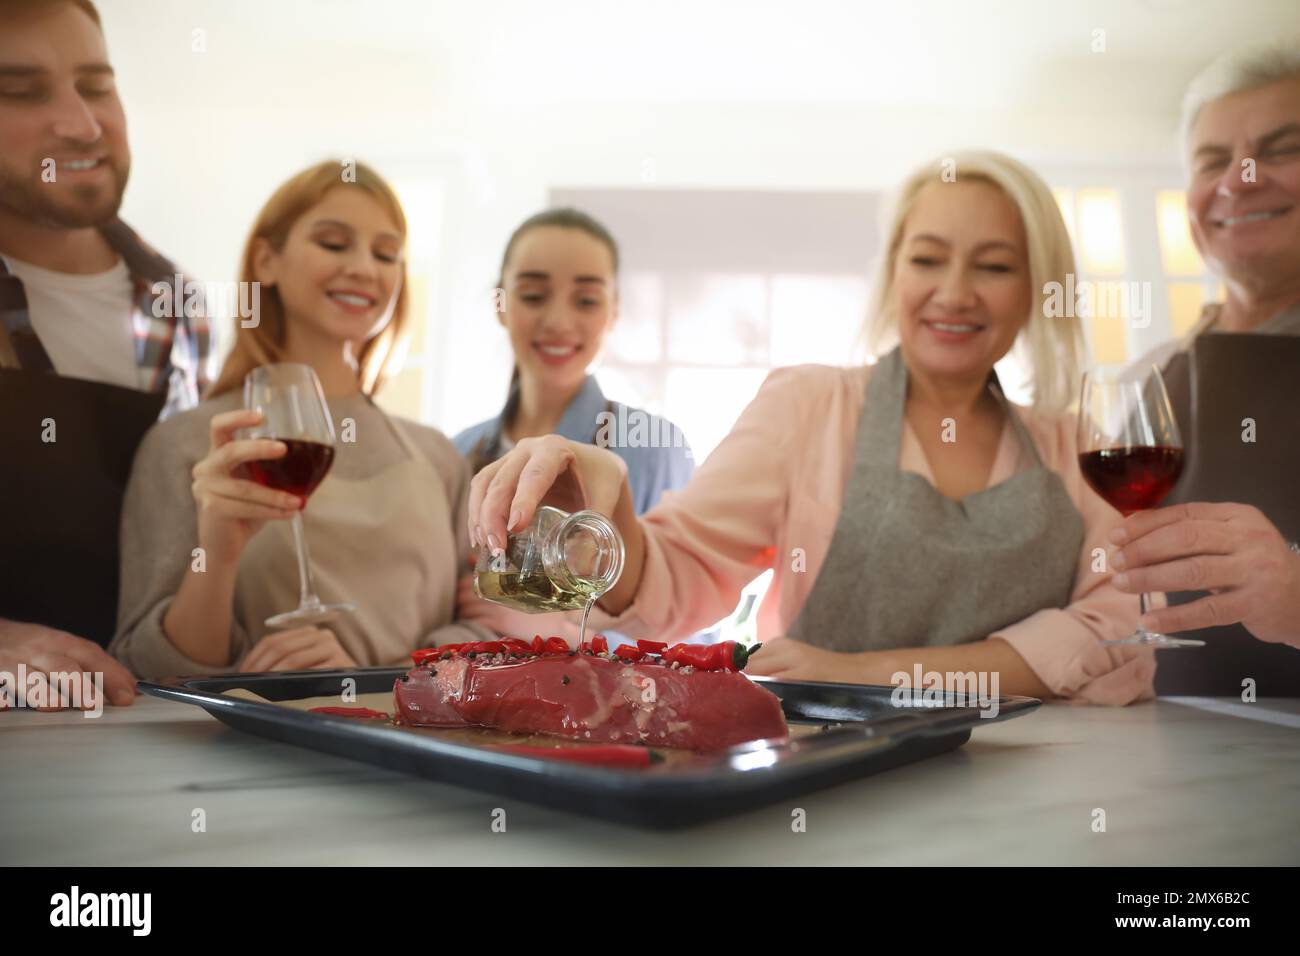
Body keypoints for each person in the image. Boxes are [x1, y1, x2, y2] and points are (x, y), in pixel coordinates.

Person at [466, 151, 1152, 705]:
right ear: (893, 273)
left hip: (1042, 783)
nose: (954, 291)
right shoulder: (809, 406)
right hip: (840, 778)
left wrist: (863, 671)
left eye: (995, 266)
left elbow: (1119, 636)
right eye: (927, 258)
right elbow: (679, 573)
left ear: (1037, 287)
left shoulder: (1076, 445)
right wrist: (610, 504)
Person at [110, 161, 497, 678]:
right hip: (249, 754)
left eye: (386, 254)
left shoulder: (439, 457)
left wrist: (376, 675)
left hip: (416, 750)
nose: (364, 268)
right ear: (267, 260)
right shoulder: (182, 444)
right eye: (335, 244)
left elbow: (487, 630)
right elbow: (150, 665)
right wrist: (218, 558)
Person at [0, 0, 208, 709]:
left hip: (160, 730)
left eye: (95, 84)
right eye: (21, 91)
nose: (83, 125)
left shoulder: (184, 307)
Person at [1116, 40, 1300, 695]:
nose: (1241, 180)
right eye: (1213, 160)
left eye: (1281, 149)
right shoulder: (1148, 378)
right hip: (1179, 761)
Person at [452, 209, 693, 643]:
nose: (560, 321)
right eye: (533, 295)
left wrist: (557, 629)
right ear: (500, 305)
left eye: (585, 300)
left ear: (613, 312)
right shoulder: (457, 452)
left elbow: (682, 628)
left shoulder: (655, 448)